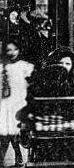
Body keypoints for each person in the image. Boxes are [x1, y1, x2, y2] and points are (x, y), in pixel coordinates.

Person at [0, 39, 32, 167]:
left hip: (19, 103)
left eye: (15, 49)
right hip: (5, 103)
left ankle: (16, 157)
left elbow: (30, 85)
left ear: (19, 50)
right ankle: (12, 158)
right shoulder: (2, 66)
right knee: (5, 133)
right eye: (9, 50)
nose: (12, 52)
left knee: (13, 132)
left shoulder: (25, 66)